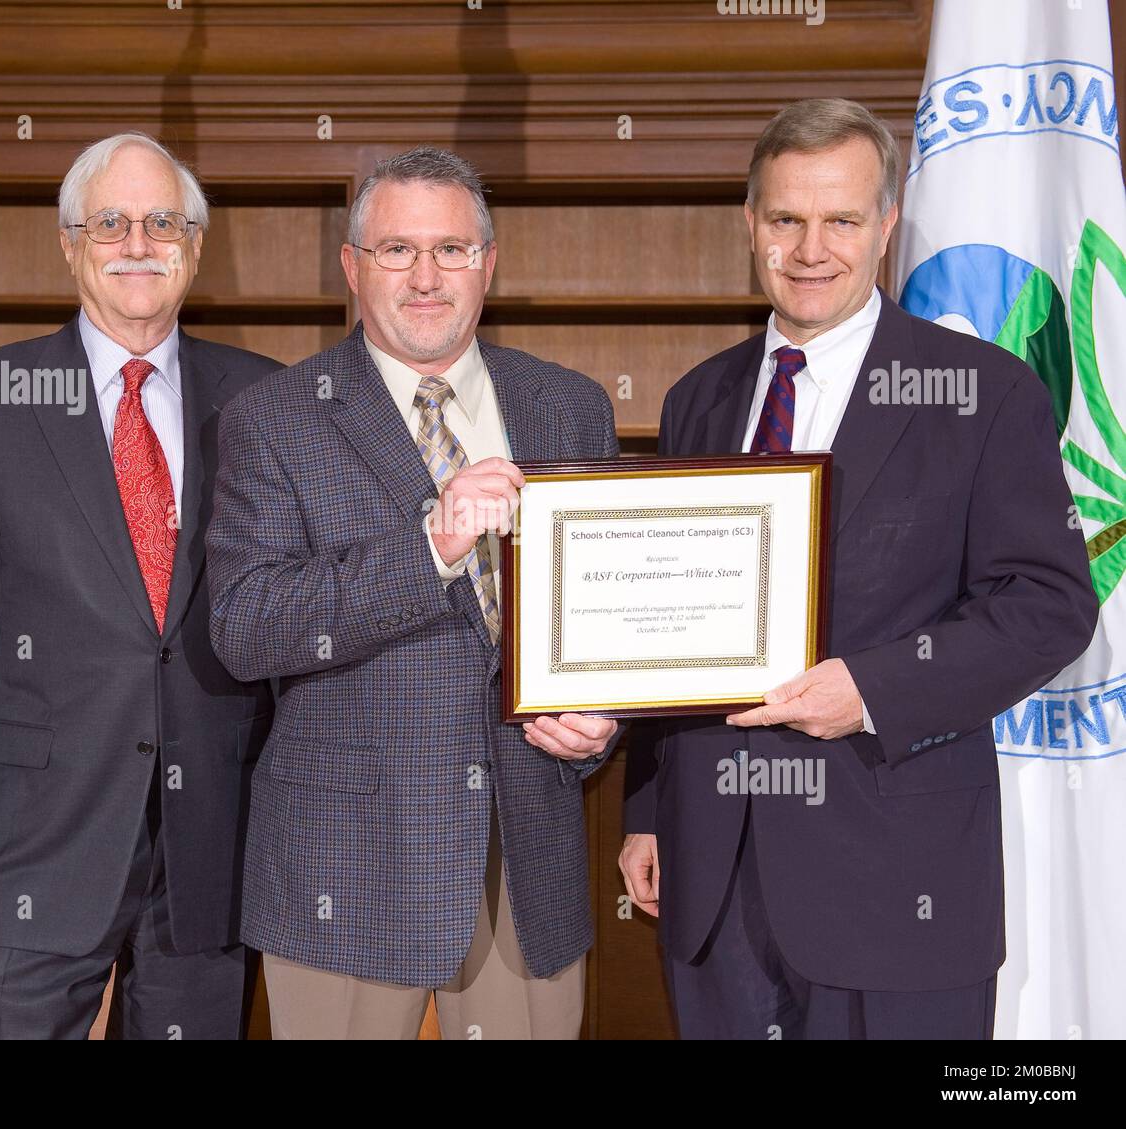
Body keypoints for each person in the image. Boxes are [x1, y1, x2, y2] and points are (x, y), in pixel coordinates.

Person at [620, 98, 1098, 1040]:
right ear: (750, 222)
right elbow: (665, 617)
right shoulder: (697, 399)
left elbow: (1048, 605)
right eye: (787, 219)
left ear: (886, 225)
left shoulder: (985, 392)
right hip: (714, 880)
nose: (811, 249)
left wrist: (872, 690)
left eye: (841, 220)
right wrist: (649, 807)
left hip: (898, 883)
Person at [206, 145, 620, 1039]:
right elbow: (245, 625)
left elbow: (606, 613)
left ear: (488, 264)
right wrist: (430, 547)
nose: (426, 277)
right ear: (353, 266)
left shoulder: (570, 406)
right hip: (346, 869)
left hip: (526, 858)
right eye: (397, 250)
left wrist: (603, 720)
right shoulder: (273, 417)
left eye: (452, 250)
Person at [0, 132, 280, 1039]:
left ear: (195, 246)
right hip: (26, 853)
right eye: (110, 223)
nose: (137, 244)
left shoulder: (266, 398)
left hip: (211, 854)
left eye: (162, 223)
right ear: (70, 245)